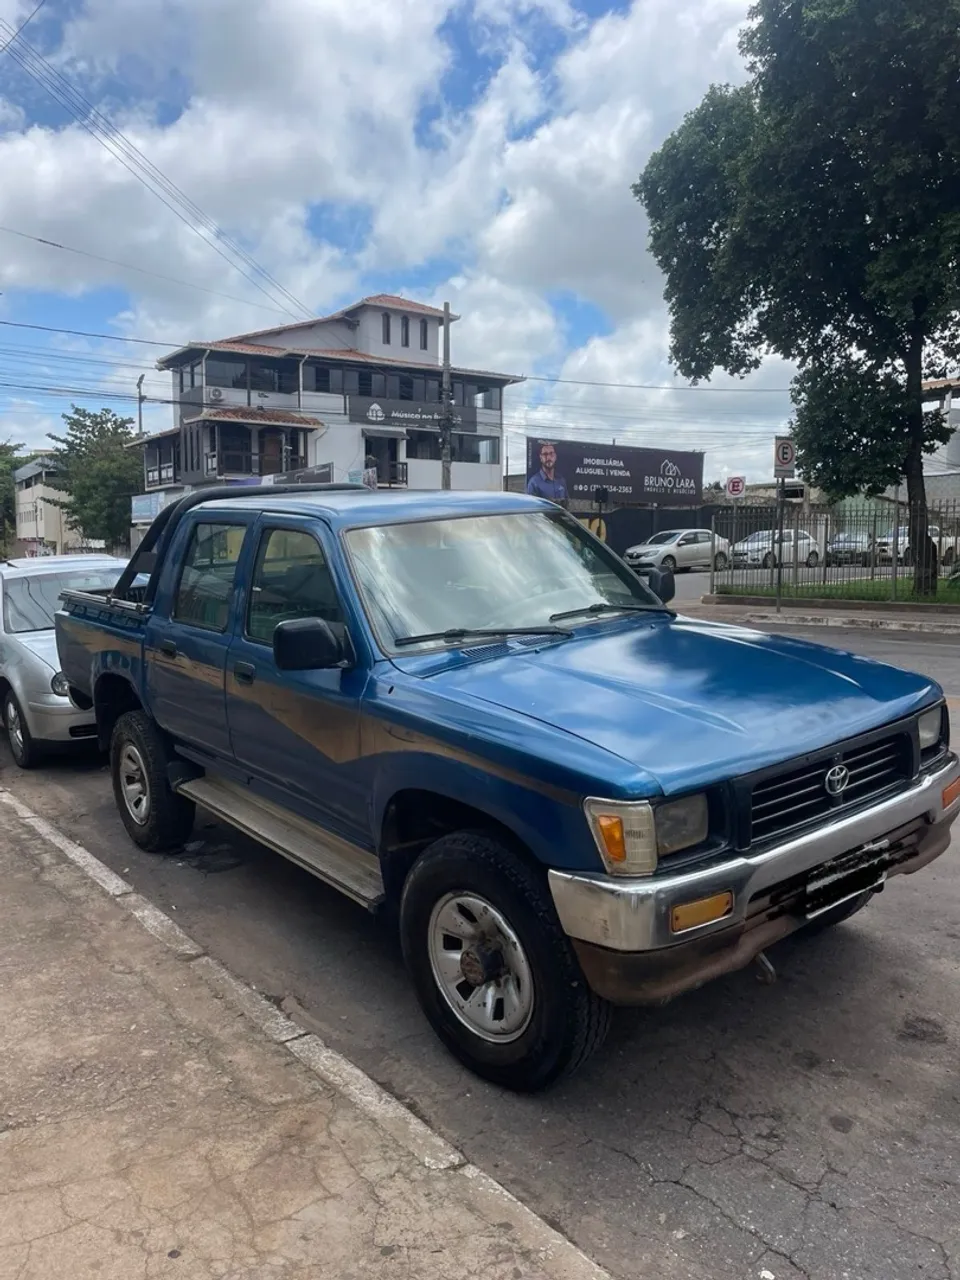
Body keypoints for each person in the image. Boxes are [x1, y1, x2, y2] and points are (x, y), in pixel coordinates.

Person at [526, 441, 569, 507]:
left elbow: (567, 506)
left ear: (555, 456)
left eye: (551, 454)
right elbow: (531, 509)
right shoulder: (534, 483)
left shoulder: (561, 481)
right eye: (545, 454)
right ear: (540, 457)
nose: (548, 458)